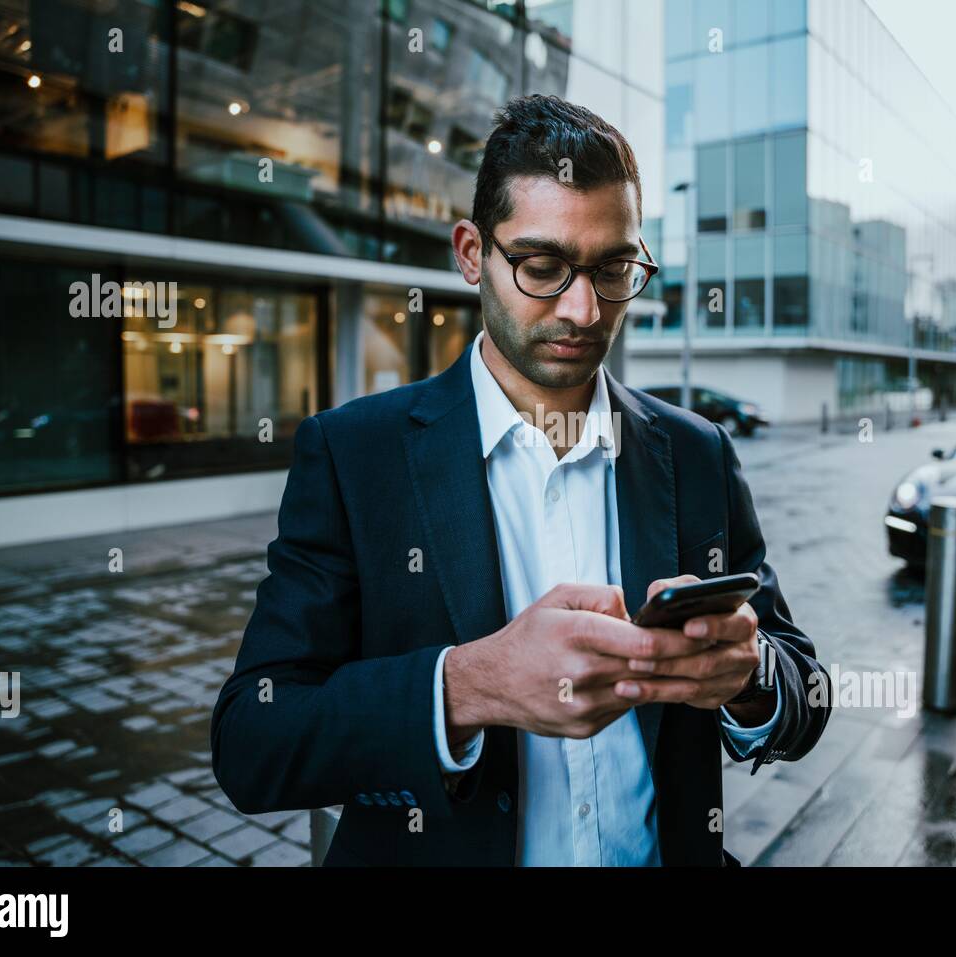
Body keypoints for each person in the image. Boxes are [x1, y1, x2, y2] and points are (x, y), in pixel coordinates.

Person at [211, 94, 831, 866]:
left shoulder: (697, 451)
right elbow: (252, 740)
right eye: (542, 266)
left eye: (613, 269)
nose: (582, 308)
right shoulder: (352, 455)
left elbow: (806, 693)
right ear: (471, 252)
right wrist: (470, 686)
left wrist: (751, 675)